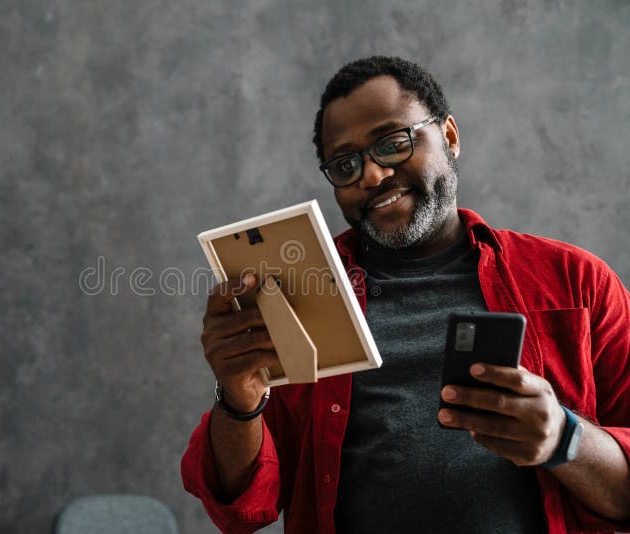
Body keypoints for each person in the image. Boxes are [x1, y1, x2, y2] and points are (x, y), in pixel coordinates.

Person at [181, 56, 630, 533]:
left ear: (450, 136)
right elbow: (240, 507)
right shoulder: (299, 298)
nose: (372, 177)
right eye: (346, 164)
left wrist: (564, 438)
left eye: (393, 143)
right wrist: (238, 398)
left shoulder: (575, 281)